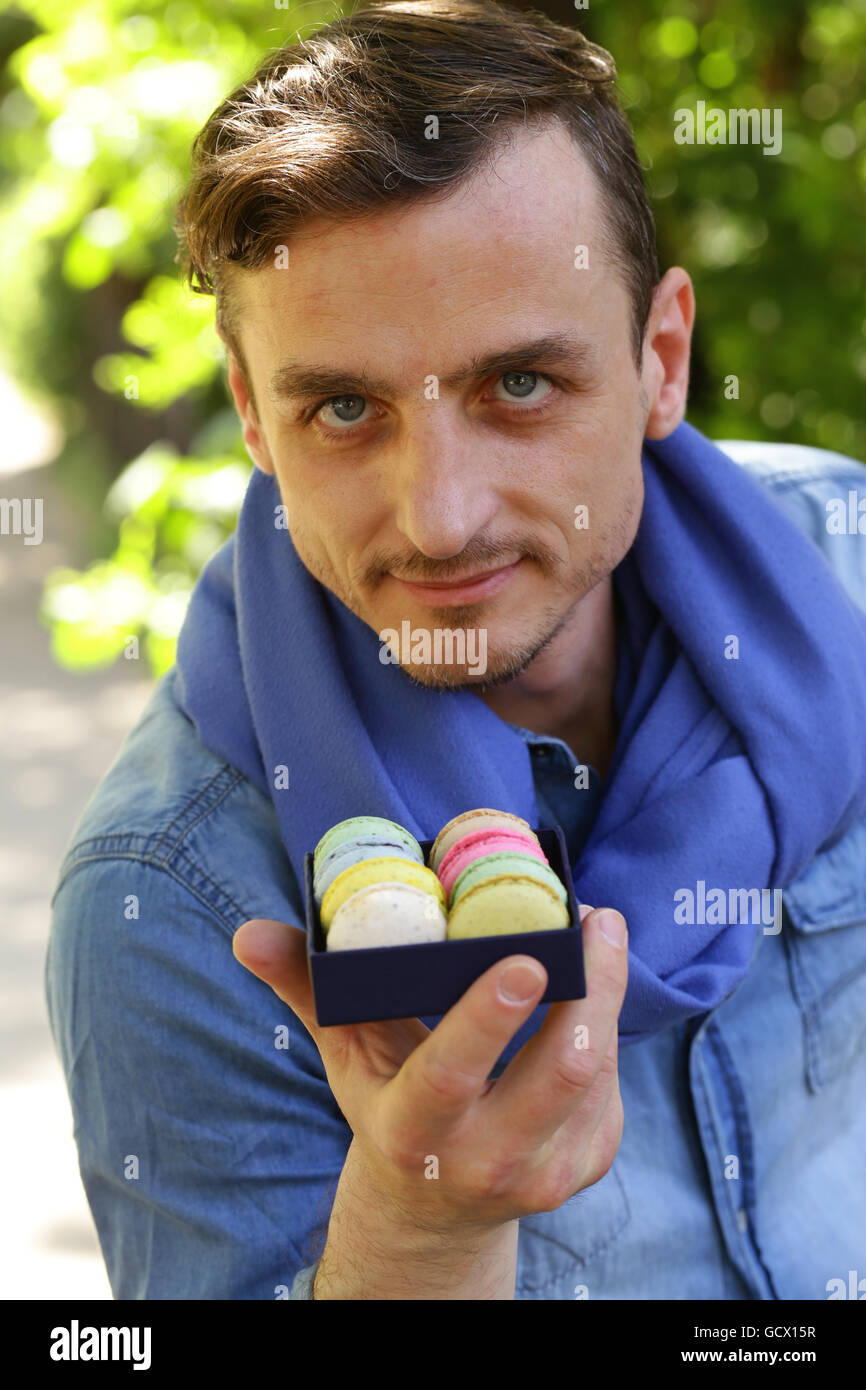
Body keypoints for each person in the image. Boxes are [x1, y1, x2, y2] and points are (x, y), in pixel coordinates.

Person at [46, 0, 866, 1301]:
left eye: (519, 386)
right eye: (345, 408)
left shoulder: (850, 565)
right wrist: (419, 1240)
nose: (440, 518)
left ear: (660, 358)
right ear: (253, 413)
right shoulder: (172, 906)